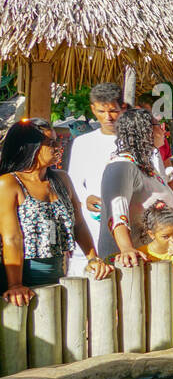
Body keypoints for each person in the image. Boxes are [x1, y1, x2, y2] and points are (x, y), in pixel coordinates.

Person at [1, 119, 112, 305]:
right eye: (50, 143)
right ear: (30, 147)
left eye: (57, 141)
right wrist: (15, 285)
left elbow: (79, 223)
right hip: (24, 276)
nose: (57, 147)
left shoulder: (61, 179)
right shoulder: (9, 183)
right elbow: (11, 238)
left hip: (60, 271)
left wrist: (93, 258)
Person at [64, 82, 160, 273]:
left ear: (123, 108)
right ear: (93, 109)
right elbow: (73, 183)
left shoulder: (139, 142)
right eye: (101, 111)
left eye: (113, 111)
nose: (107, 117)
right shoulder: (83, 143)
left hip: (136, 226)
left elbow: (155, 181)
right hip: (92, 224)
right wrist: (86, 198)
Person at [99, 108, 173, 266]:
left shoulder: (145, 165)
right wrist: (127, 248)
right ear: (146, 130)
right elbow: (117, 211)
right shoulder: (121, 165)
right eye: (159, 125)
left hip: (155, 260)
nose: (164, 130)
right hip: (131, 265)